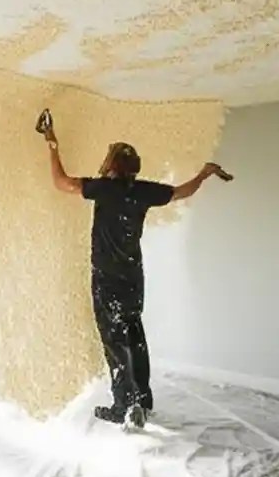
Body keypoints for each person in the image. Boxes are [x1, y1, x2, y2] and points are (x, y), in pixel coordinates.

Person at [41, 118, 233, 429]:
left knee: (114, 341)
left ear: (112, 165)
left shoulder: (104, 189)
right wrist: (205, 172)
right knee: (134, 336)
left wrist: (52, 143)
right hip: (133, 277)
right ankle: (143, 399)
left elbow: (62, 182)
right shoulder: (144, 191)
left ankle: (124, 407)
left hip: (107, 278)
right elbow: (182, 192)